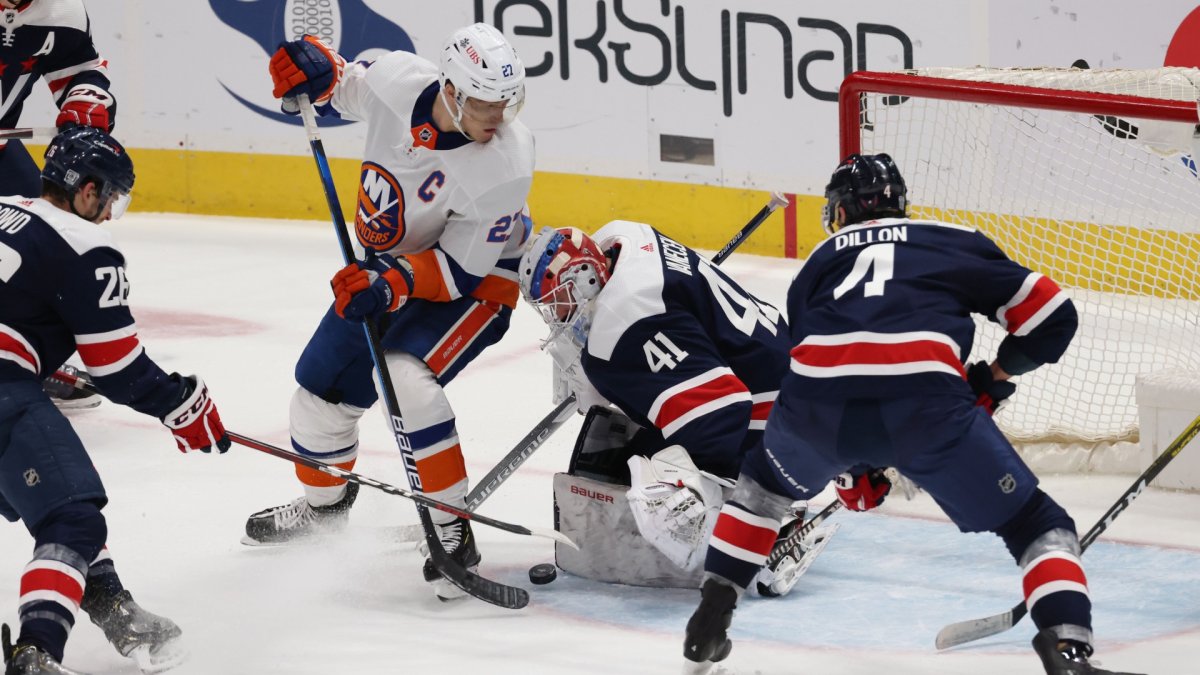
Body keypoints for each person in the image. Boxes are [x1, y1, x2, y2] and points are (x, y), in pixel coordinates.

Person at [679, 154, 1141, 675]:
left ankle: (710, 621)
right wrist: (993, 376)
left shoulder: (819, 260)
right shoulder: (950, 237)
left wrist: (853, 466)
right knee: (1038, 523)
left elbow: (828, 361)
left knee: (761, 489)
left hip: (812, 410)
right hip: (928, 406)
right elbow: (1053, 316)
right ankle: (1066, 646)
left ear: (840, 212)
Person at [242, 23, 535, 601]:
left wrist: (392, 283)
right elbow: (344, 83)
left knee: (404, 378)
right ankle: (324, 510)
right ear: (449, 90)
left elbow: (458, 273)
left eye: (506, 102)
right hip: (389, 269)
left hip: (476, 285)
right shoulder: (400, 79)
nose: (497, 115)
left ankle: (453, 531)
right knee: (317, 396)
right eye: (483, 102)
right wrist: (315, 67)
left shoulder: (506, 161)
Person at [0, 127, 230, 675]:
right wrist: (181, 402)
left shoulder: (5, 206)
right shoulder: (86, 247)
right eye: (109, 199)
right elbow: (119, 368)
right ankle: (36, 652)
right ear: (86, 189)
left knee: (51, 497)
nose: (107, 215)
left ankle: (112, 606)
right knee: (72, 519)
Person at [518, 222, 838, 596]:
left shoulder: (620, 329)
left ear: (585, 277)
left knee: (656, 486)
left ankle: (765, 533)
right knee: (632, 448)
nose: (555, 315)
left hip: (783, 425)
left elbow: (724, 412)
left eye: (557, 300)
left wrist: (677, 480)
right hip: (791, 381)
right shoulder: (627, 237)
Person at [1, 0, 121, 410]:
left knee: (42, 243)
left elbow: (79, 68)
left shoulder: (61, 11)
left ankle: (27, 356)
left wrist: (84, 98)